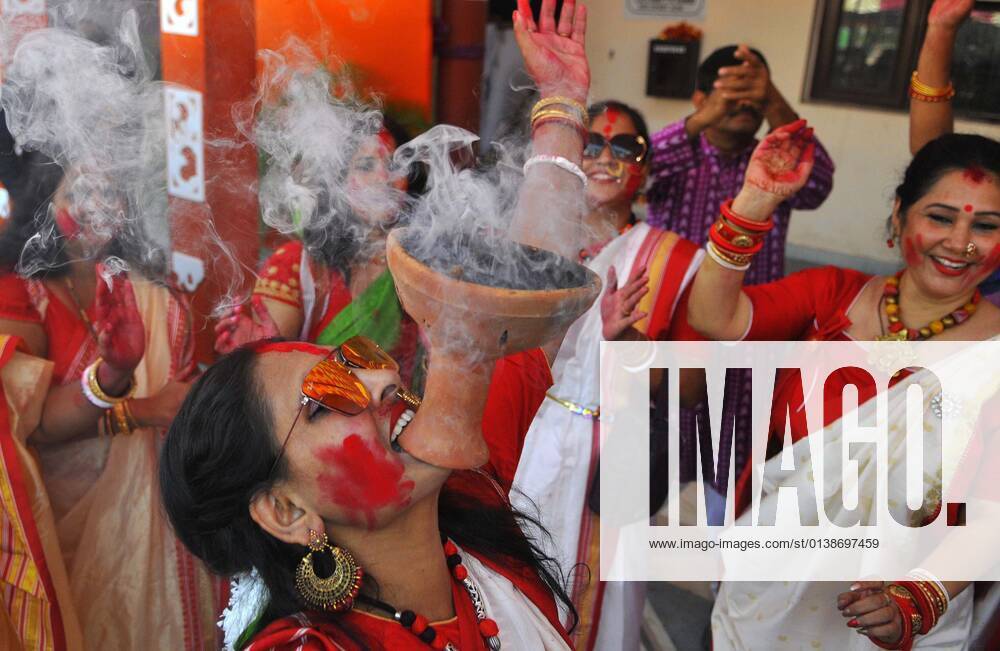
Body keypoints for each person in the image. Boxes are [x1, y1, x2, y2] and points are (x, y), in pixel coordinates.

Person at [160, 1, 594, 648]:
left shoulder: (471, 494)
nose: (382, 377)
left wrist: (559, 104)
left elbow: (528, 292)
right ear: (288, 510)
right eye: (323, 402)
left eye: (357, 357)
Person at [682, 115, 1000, 647]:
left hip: (896, 608)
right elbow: (715, 317)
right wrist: (754, 202)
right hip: (766, 589)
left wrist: (919, 599)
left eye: (987, 227)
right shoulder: (833, 295)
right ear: (899, 216)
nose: (961, 243)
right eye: (940, 217)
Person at [0, 168, 222, 647]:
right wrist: (122, 389)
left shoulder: (158, 298)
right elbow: (27, 425)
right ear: (45, 201)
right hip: (68, 532)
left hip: (158, 524)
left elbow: (179, 410)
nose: (94, 203)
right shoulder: (20, 293)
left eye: (109, 191)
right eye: (77, 191)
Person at [511, 99, 702, 650]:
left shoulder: (675, 258)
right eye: (590, 143)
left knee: (606, 608)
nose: (604, 157)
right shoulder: (535, 243)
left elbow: (690, 388)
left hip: (618, 448)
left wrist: (629, 346)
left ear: (646, 170)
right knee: (518, 581)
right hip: (533, 433)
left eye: (625, 147)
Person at [644, 44, 836, 508]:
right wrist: (706, 116)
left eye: (755, 100)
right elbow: (643, 170)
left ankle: (722, 572)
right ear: (699, 100)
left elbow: (820, 184)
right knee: (655, 460)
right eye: (732, 98)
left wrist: (773, 100)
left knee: (733, 468)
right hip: (674, 340)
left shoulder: (776, 160)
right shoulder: (679, 154)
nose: (744, 108)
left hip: (751, 338)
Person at [215, 121, 427, 388]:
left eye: (395, 165)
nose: (384, 177)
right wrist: (263, 358)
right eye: (365, 166)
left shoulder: (417, 266)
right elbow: (271, 388)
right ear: (335, 184)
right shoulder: (295, 266)